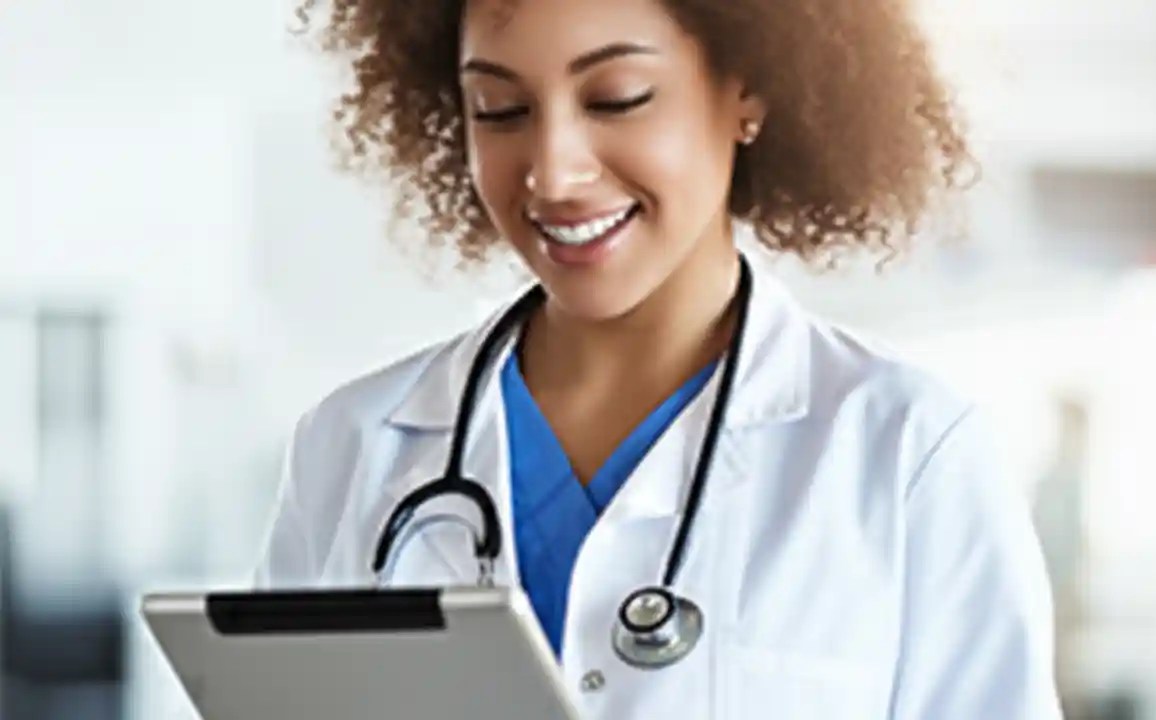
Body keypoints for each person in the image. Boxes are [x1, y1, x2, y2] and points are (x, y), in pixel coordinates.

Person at [254, 0, 1063, 717]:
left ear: (747, 88)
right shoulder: (353, 445)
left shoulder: (909, 451)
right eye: (499, 109)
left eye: (617, 99)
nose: (553, 171)